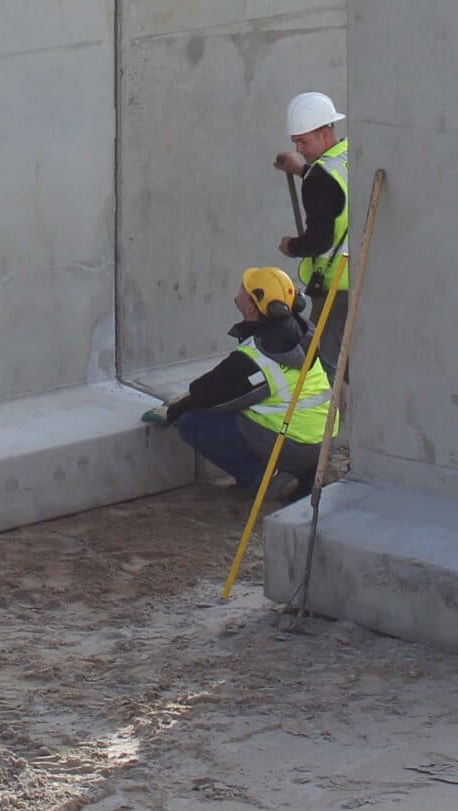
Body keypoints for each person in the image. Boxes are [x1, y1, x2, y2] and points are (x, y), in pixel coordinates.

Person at [139, 267, 332, 503]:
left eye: (244, 288)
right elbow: (225, 382)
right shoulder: (300, 332)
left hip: (295, 444)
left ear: (252, 306)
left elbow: (212, 393)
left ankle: (265, 479)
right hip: (321, 441)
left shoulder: (259, 354)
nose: (239, 288)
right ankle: (303, 477)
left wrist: (174, 410)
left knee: (193, 422)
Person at [271, 91, 351, 338]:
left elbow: (320, 240)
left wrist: (291, 247)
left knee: (323, 362)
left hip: (337, 287)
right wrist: (303, 169)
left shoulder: (318, 180)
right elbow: (337, 192)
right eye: (295, 142)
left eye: (303, 142)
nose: (298, 148)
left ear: (323, 133)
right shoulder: (351, 153)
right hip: (365, 277)